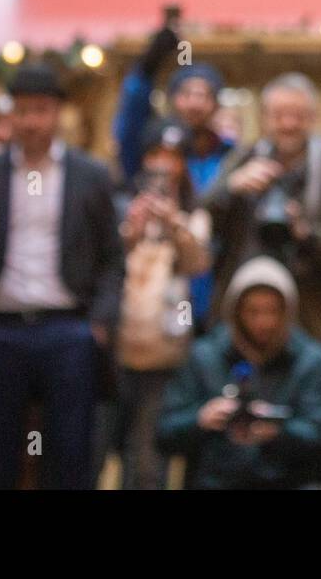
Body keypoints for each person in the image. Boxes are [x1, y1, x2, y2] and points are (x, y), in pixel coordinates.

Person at [0, 64, 124, 489]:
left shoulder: (89, 175)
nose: (31, 121)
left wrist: (99, 322)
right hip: (0, 328)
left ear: (58, 113)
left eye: (40, 110)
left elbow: (112, 257)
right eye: (22, 111)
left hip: (68, 329)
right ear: (10, 114)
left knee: (70, 453)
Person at [203, 73, 321, 355]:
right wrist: (231, 190)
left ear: (313, 117)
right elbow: (203, 222)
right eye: (279, 115)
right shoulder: (241, 162)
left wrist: (305, 233)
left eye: (298, 115)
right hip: (237, 329)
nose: (288, 124)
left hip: (312, 330)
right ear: (264, 118)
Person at [156, 257, 321, 489]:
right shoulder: (204, 356)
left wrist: (279, 430)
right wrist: (201, 420)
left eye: (272, 311)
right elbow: (164, 435)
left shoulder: (311, 360)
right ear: (236, 311)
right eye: (253, 311)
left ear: (287, 312)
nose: (264, 322)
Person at [113, 21, 234, 326]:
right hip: (147, 303)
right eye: (186, 93)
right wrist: (147, 67)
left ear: (216, 104)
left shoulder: (230, 155)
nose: (194, 102)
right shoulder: (149, 151)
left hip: (211, 290)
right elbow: (130, 122)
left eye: (204, 95)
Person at [113, 118, 212, 489]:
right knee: (107, 447)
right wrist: (130, 231)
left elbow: (198, 263)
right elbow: (101, 265)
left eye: (174, 157)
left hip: (165, 353)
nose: (164, 165)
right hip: (115, 347)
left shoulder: (194, 213)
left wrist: (175, 224)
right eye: (156, 155)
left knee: (148, 457)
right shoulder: (120, 203)